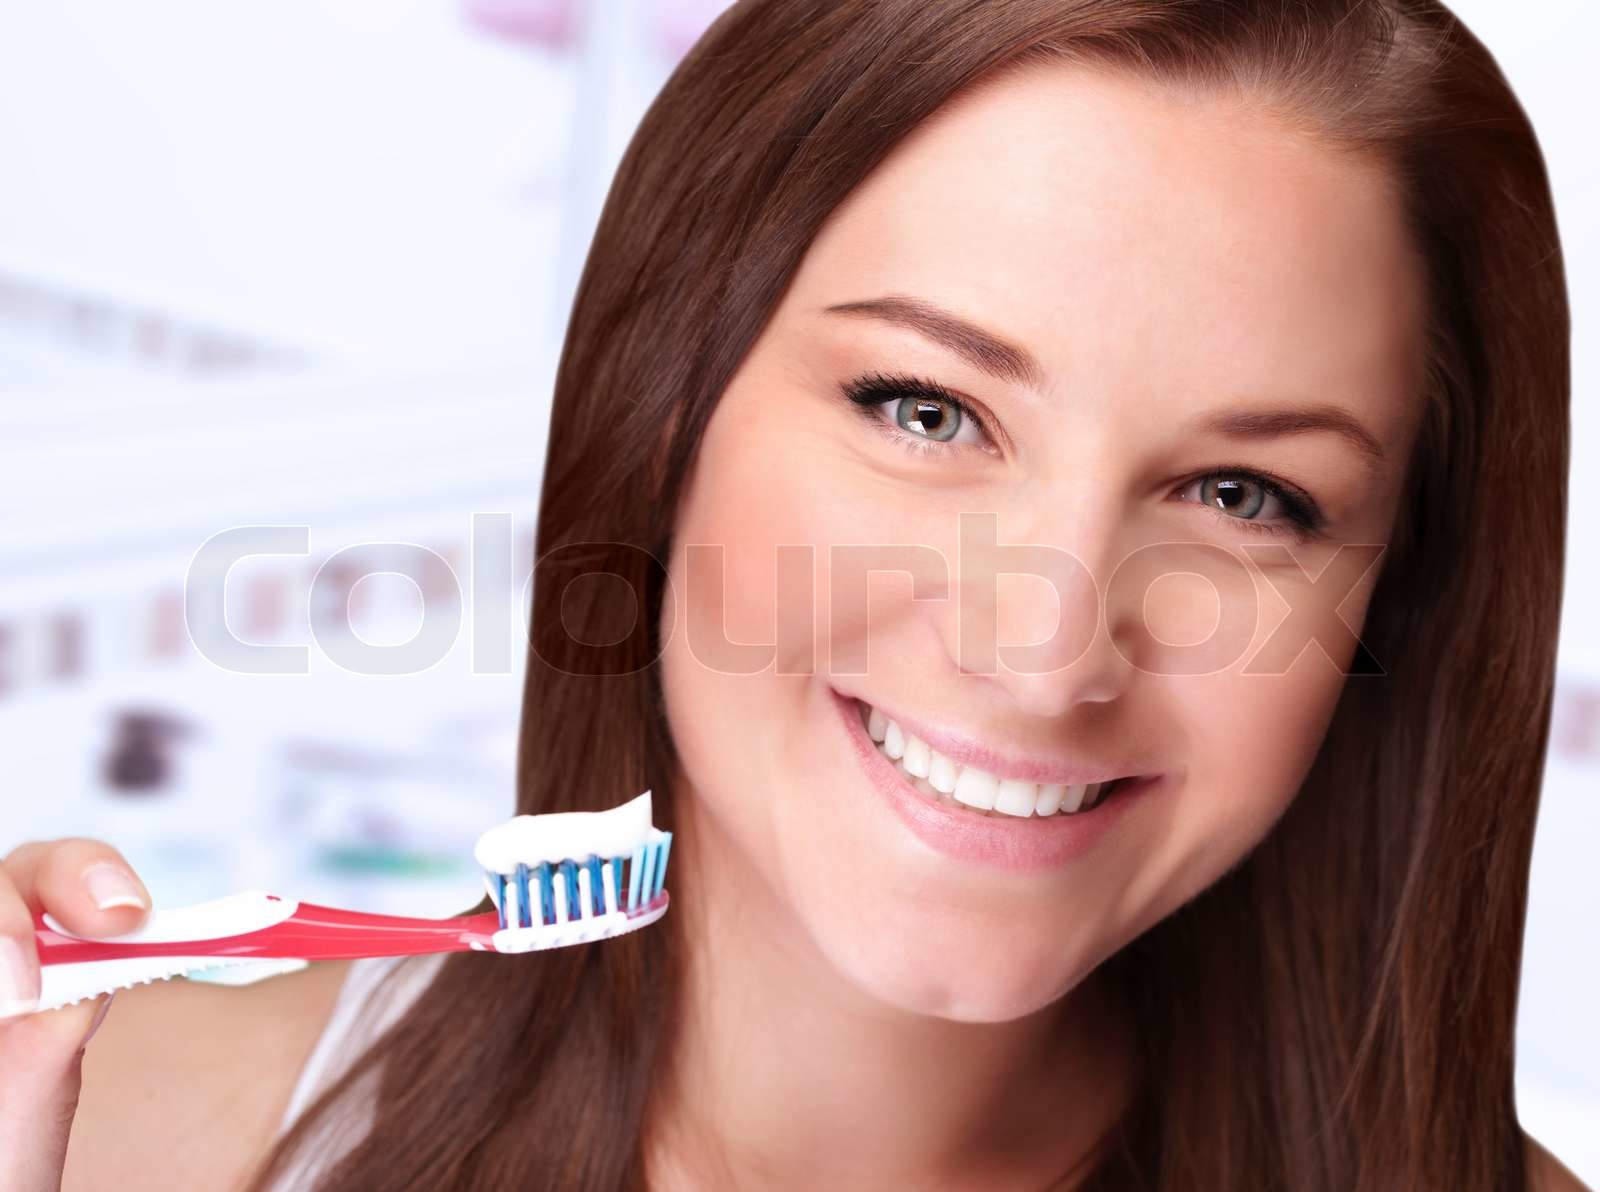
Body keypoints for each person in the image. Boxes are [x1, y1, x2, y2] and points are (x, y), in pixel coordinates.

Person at [1, 1, 1589, 1188]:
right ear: (663, 414)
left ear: (1396, 597)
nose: (1042, 652)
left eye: (1247, 497)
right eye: (926, 409)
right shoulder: (115, 1141)